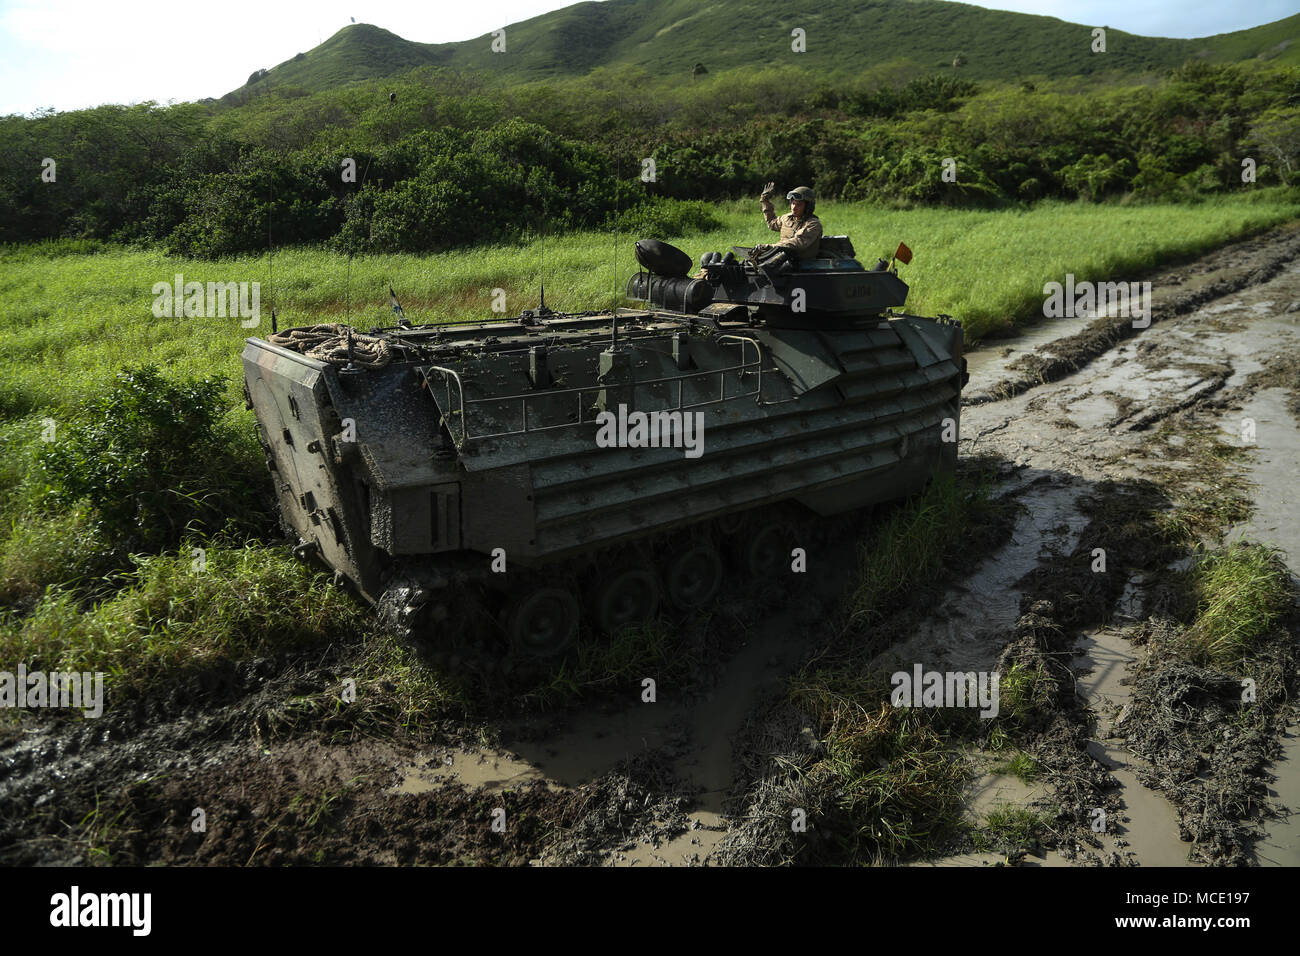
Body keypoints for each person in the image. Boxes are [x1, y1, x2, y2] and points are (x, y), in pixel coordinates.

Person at [754, 183, 822, 262]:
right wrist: (765, 201)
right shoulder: (787, 218)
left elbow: (798, 242)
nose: (794, 207)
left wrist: (771, 247)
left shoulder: (813, 224)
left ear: (808, 207)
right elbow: (772, 223)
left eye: (798, 205)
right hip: (783, 258)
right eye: (793, 203)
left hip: (802, 264)